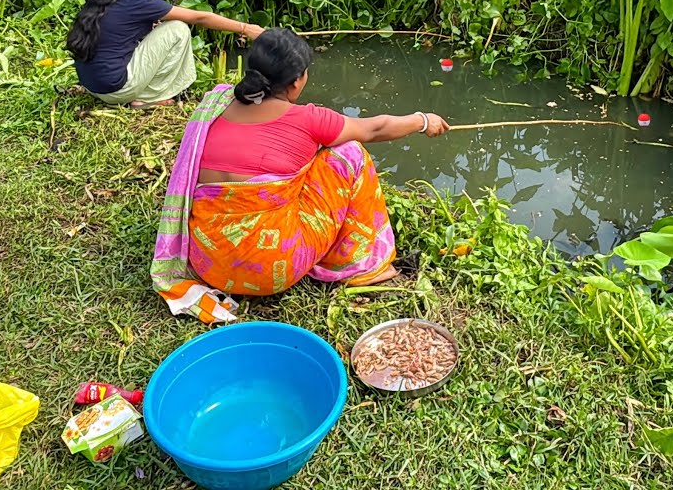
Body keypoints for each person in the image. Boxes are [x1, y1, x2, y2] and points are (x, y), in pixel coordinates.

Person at [151, 28, 450, 323]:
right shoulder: (309, 119)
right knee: (348, 153)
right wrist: (422, 121)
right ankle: (364, 266)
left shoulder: (214, 107)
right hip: (274, 270)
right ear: (297, 81)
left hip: (208, 263)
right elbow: (375, 128)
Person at [66, 0, 264, 109]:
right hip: (114, 91)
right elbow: (199, 18)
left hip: (93, 85)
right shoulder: (139, 1)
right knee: (177, 29)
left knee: (162, 26)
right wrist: (246, 28)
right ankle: (149, 97)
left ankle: (137, 93)